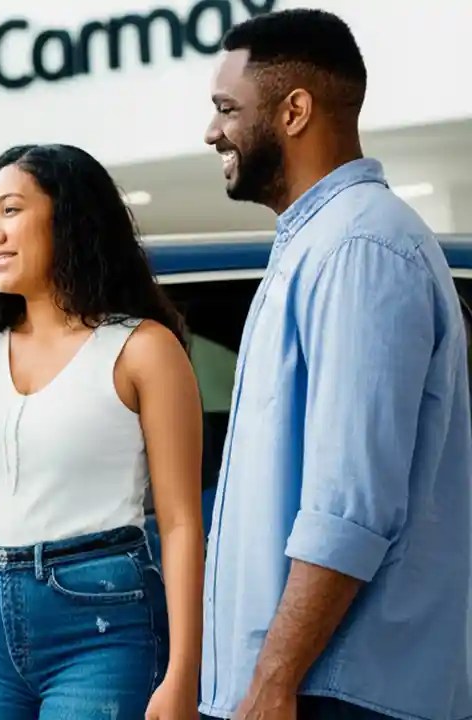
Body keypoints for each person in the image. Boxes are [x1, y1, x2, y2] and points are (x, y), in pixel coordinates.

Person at [200, 9, 472, 720]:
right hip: (314, 687)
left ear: (294, 111)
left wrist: (274, 680)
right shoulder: (317, 244)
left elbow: (349, 507)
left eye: (227, 109)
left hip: (341, 692)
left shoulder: (362, 250)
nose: (211, 132)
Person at [0, 143, 205, 720]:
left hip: (101, 628)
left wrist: (182, 678)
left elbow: (179, 523)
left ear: (69, 218)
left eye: (12, 210)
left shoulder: (142, 350)